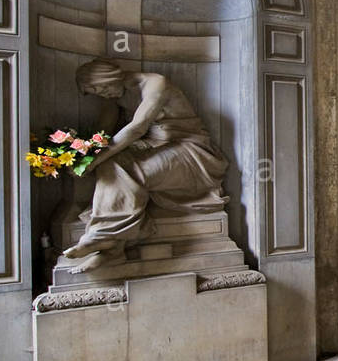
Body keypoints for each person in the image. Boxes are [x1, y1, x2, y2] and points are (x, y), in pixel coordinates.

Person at [61, 59, 228, 272]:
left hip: (190, 151)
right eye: (97, 92)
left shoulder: (156, 84)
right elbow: (103, 134)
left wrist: (93, 162)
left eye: (101, 88)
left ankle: (102, 238)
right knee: (112, 164)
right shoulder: (114, 96)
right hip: (152, 145)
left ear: (108, 77)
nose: (103, 94)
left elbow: (137, 128)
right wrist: (79, 156)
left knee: (130, 169)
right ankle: (110, 250)